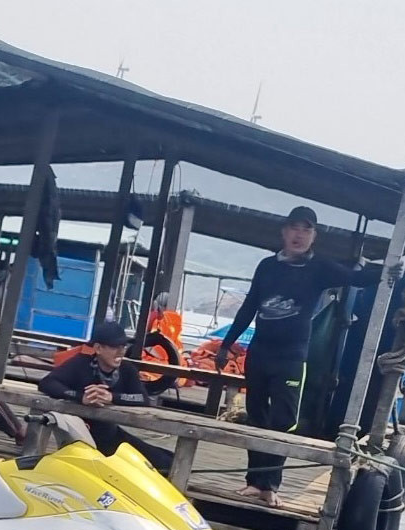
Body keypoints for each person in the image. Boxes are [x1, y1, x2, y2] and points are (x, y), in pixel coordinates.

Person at [213, 205, 378, 504]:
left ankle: (270, 485)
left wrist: (391, 271)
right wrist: (226, 344)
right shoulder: (267, 266)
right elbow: (249, 307)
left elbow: (358, 278)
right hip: (259, 352)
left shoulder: (320, 268)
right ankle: (254, 482)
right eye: (294, 228)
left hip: (291, 356)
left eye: (306, 229)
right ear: (284, 232)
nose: (299, 235)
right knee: (257, 416)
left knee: (284, 420)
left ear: (314, 236)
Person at [37, 319, 172, 470]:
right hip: (78, 436)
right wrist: (80, 397)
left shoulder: (127, 370)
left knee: (164, 462)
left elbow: (143, 399)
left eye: (123, 346)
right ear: (98, 348)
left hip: (109, 434)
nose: (121, 352)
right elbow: (47, 383)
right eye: (114, 347)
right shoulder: (81, 364)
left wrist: (111, 397)